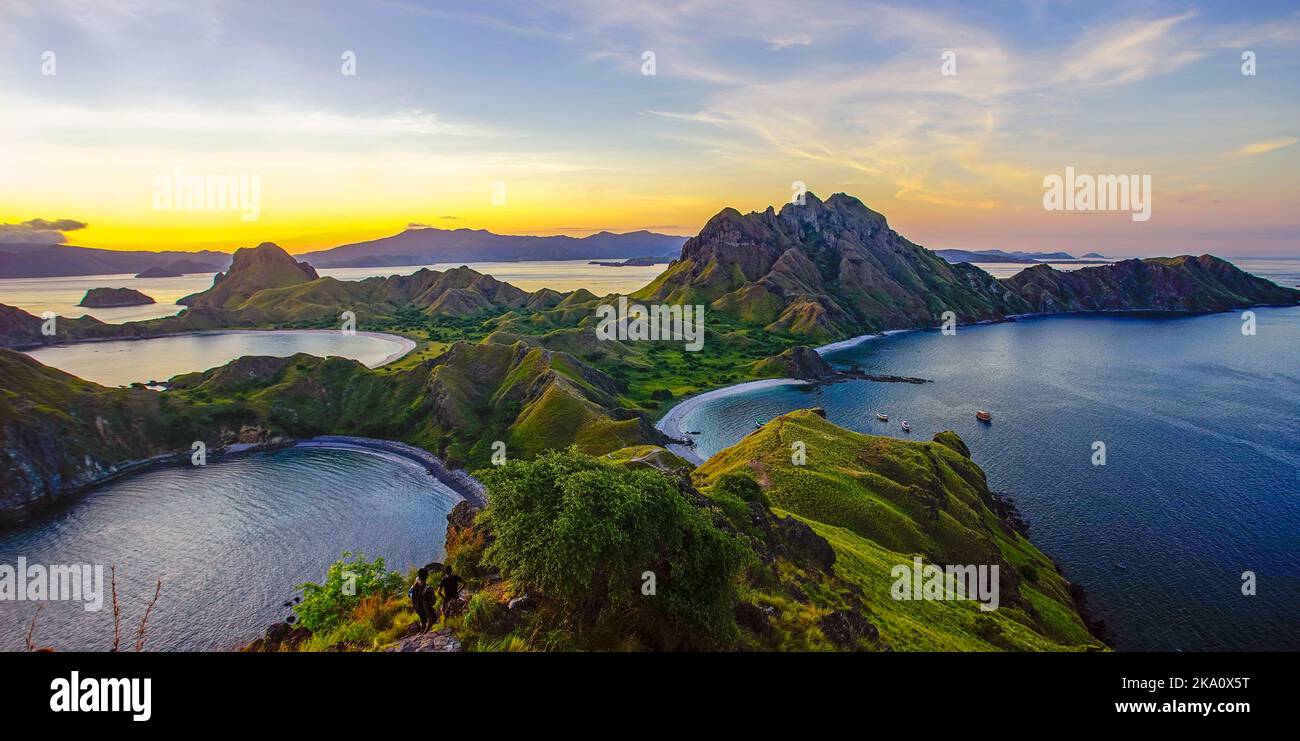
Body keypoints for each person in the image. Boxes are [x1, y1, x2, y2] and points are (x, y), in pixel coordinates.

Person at [410, 567, 433, 634]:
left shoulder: (415, 585)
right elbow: (432, 601)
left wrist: (414, 605)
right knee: (432, 618)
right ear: (427, 576)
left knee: (422, 619)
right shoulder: (427, 588)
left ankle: (423, 629)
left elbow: (413, 597)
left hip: (418, 607)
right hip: (425, 608)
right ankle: (424, 632)